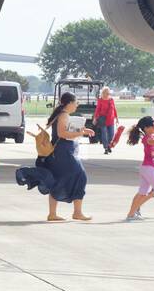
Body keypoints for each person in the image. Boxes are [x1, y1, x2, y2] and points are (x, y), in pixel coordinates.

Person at [15, 92, 95, 221]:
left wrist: (84, 131)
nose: (77, 105)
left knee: (57, 180)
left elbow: (66, 130)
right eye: (76, 103)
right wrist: (80, 133)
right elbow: (62, 133)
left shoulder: (62, 114)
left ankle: (53, 214)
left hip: (60, 153)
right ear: (69, 103)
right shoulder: (63, 115)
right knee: (80, 176)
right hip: (63, 153)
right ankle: (77, 212)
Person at [93, 86, 118, 154]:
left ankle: (109, 145)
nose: (107, 94)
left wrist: (117, 118)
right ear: (103, 93)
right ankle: (106, 147)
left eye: (108, 93)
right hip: (103, 119)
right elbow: (97, 110)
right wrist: (95, 118)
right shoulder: (100, 100)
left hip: (111, 119)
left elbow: (114, 109)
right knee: (104, 134)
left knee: (111, 134)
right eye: (106, 93)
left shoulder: (111, 100)